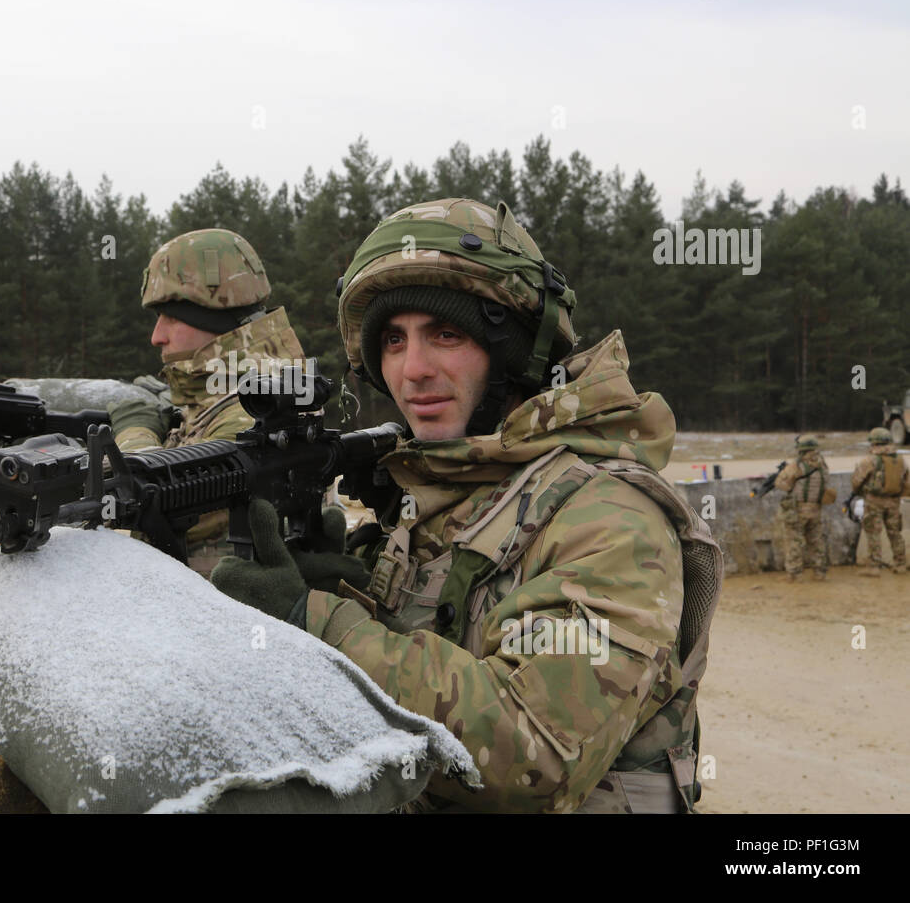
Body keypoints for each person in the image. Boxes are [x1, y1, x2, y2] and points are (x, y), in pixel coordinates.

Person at [212, 197, 722, 813]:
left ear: (515, 355)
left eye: (446, 335)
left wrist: (316, 621)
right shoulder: (444, 494)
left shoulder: (609, 514)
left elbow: (531, 755)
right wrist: (342, 592)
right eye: (394, 341)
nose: (413, 370)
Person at [107, 228, 308, 576]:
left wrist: (133, 434)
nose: (157, 336)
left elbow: (162, 500)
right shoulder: (223, 393)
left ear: (214, 318)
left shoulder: (258, 409)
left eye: (171, 316)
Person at [775, 434, 834, 581]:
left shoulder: (797, 466)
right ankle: (820, 572)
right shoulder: (823, 466)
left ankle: (795, 574)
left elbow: (781, 483)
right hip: (816, 509)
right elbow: (826, 483)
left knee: (794, 541)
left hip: (798, 510)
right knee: (817, 541)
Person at [851, 426, 907, 576]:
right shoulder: (900, 459)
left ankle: (874, 566)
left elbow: (856, 481)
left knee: (873, 533)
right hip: (894, 502)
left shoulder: (870, 460)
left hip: (874, 501)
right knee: (895, 533)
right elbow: (907, 482)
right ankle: (901, 564)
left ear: (874, 443)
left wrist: (860, 492)